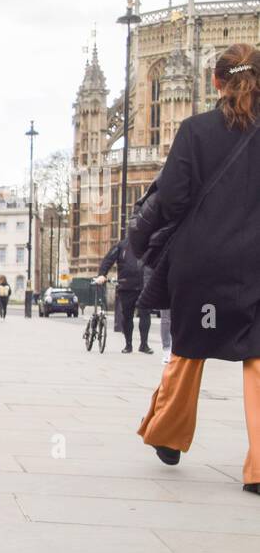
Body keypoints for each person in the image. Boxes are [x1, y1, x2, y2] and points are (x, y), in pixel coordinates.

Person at [130, 43, 260, 496]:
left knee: (188, 348)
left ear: (216, 82)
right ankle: (259, 467)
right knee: (259, 359)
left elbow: (173, 200)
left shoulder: (195, 129)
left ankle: (168, 435)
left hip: (202, 259)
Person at [97, 235, 152, 353]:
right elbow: (108, 259)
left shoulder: (148, 245)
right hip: (126, 286)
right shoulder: (121, 245)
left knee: (145, 314)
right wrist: (102, 274)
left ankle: (144, 345)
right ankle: (128, 345)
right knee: (127, 316)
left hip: (144, 286)